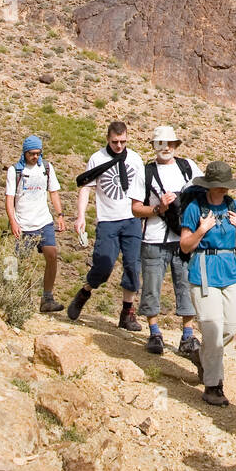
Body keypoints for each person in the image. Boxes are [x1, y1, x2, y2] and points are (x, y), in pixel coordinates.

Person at [179, 161, 236, 407]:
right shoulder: (195, 208)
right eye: (220, 186)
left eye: (226, 186)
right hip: (204, 271)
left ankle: (201, 356)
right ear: (210, 185)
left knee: (229, 326)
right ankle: (213, 386)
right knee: (213, 330)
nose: (224, 190)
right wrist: (201, 230)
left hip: (229, 270)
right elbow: (185, 245)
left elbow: (235, 244)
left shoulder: (233, 206)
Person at [131, 125, 203, 357]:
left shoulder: (188, 167)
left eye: (170, 144)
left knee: (186, 284)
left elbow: (203, 192)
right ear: (154, 146)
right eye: (161, 144)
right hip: (154, 238)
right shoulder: (145, 172)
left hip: (184, 237)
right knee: (152, 285)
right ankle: (154, 331)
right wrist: (158, 208)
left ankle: (188, 334)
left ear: (175, 146)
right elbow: (135, 209)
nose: (166, 148)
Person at [68, 121, 146, 331]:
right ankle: (85, 291)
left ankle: (127, 313)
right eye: (115, 142)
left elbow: (143, 192)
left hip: (131, 220)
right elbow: (86, 188)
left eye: (122, 141)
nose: (119, 146)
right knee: (103, 265)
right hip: (108, 221)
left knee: (132, 265)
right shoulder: (97, 158)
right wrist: (81, 216)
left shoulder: (136, 159)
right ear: (107, 139)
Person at [4, 135, 65, 314]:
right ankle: (21, 297)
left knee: (52, 254)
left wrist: (60, 215)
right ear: (25, 153)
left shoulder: (46, 168)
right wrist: (13, 221)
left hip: (43, 220)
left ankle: (47, 297)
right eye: (32, 154)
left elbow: (53, 192)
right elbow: (9, 199)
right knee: (21, 262)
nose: (35, 157)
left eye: (38, 153)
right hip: (23, 223)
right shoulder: (15, 171)